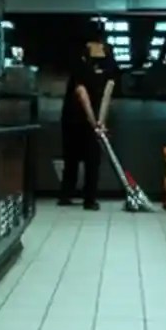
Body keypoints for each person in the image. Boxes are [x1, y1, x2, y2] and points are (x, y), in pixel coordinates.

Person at [58, 35, 116, 211]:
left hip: (92, 119)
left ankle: (88, 198)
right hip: (74, 118)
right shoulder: (80, 65)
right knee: (72, 158)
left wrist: (100, 121)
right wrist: (94, 122)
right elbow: (82, 95)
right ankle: (68, 195)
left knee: (91, 159)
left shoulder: (109, 66)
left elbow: (107, 94)